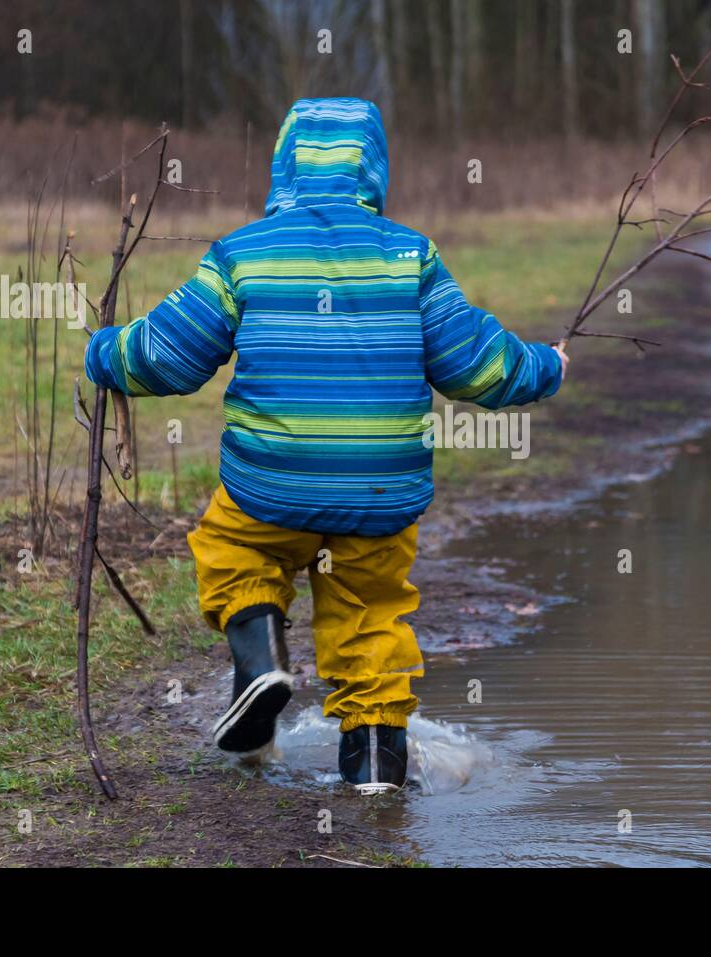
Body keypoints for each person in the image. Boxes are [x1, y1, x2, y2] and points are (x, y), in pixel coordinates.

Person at [85, 97, 567, 794]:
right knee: (372, 620)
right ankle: (375, 773)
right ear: (375, 172)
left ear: (281, 170)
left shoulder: (243, 253)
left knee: (235, 552)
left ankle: (262, 660)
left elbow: (168, 355)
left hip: (269, 489)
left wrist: (107, 353)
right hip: (379, 499)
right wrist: (548, 365)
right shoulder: (411, 256)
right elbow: (478, 364)